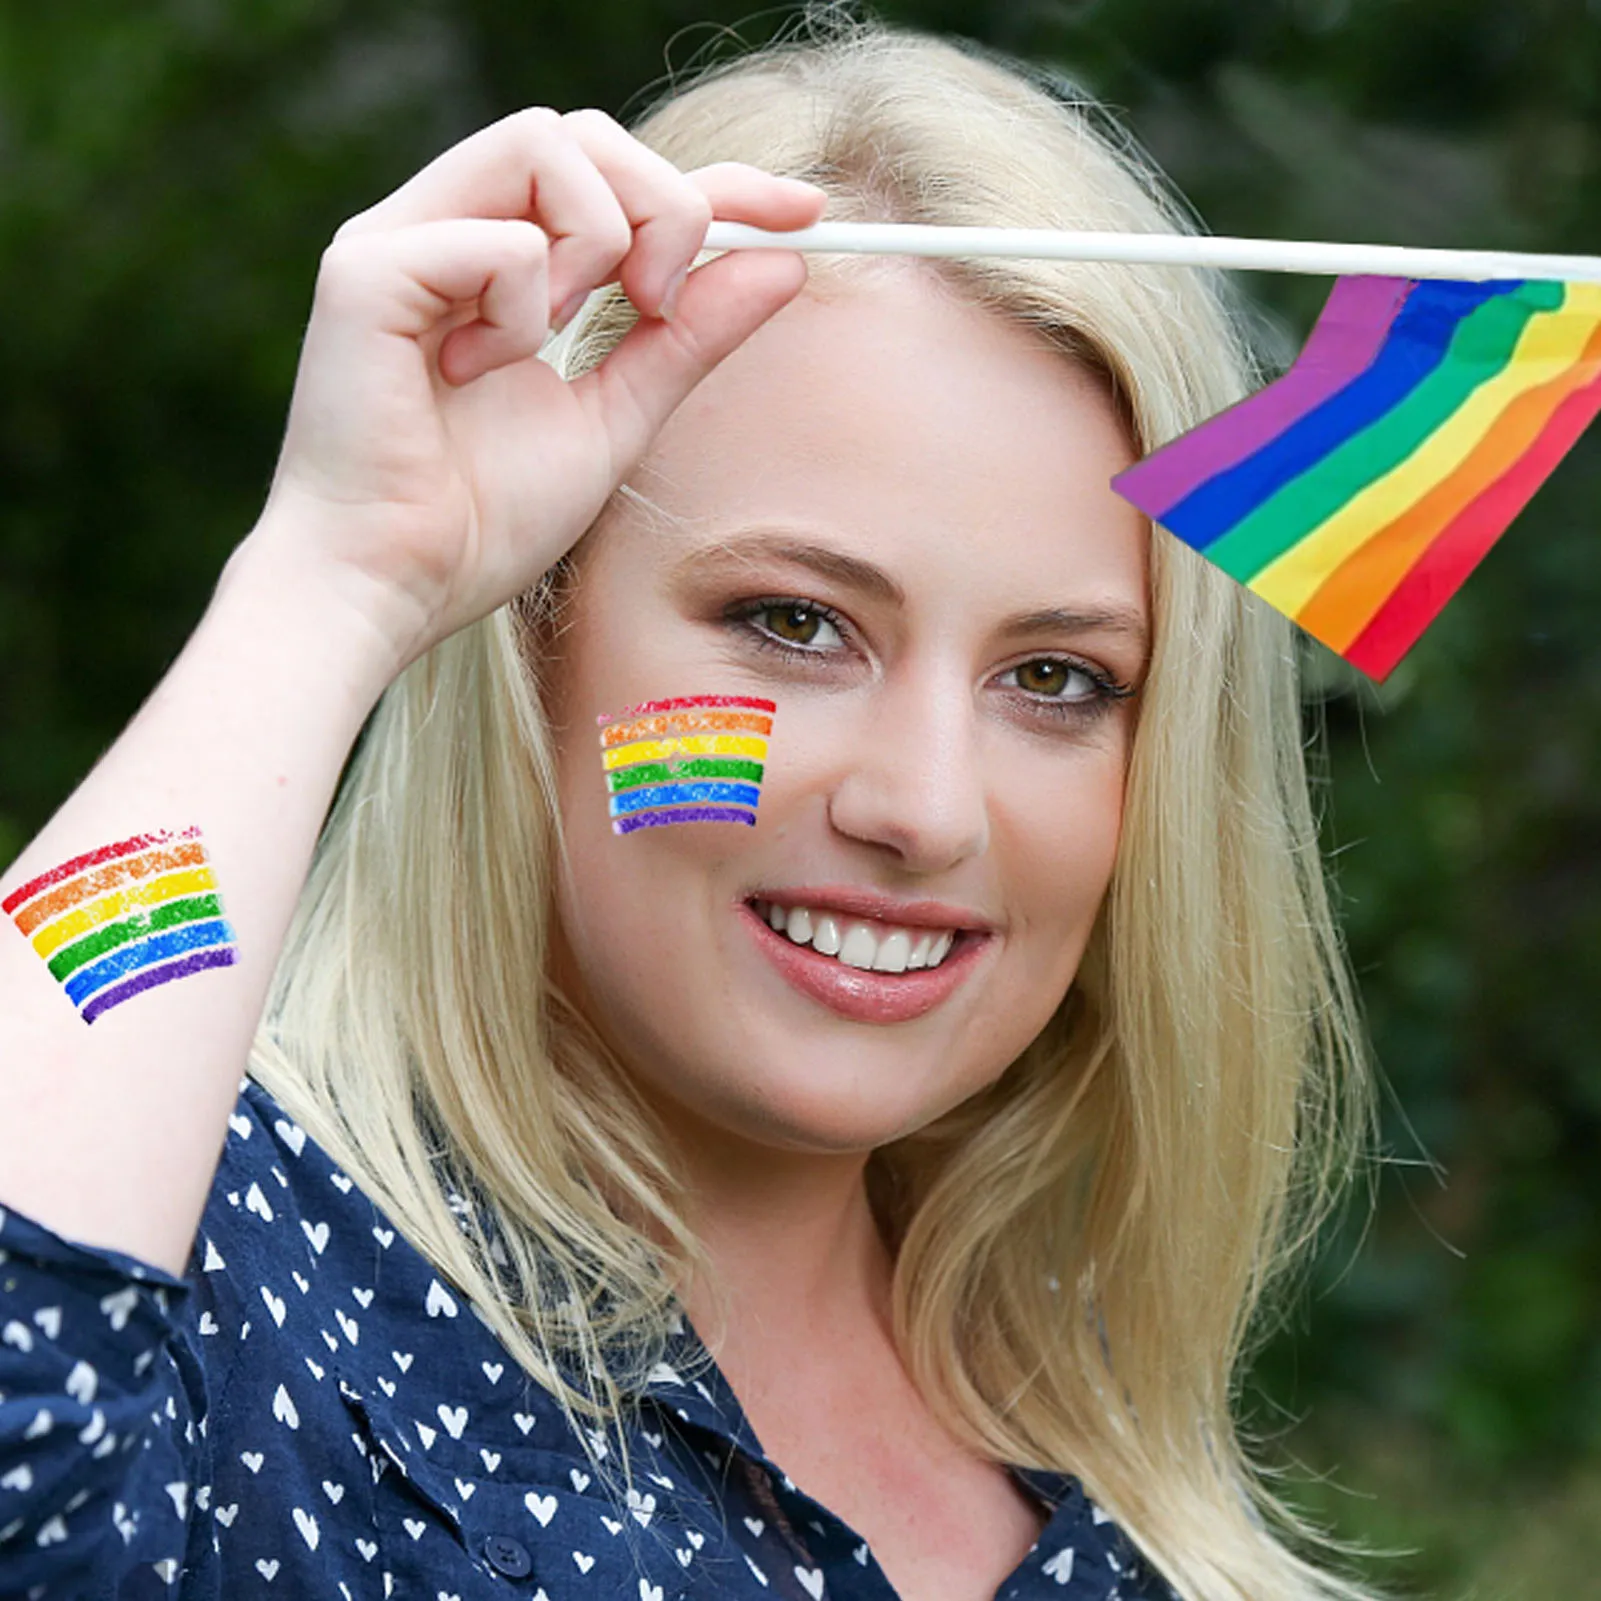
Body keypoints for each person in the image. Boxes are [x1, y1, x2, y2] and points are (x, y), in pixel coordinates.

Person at [0, 8, 1382, 1600]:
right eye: (795, 624)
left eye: (1060, 679)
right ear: (533, 629)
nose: (923, 808)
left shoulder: (1124, 1514)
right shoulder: (221, 1286)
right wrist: (337, 578)